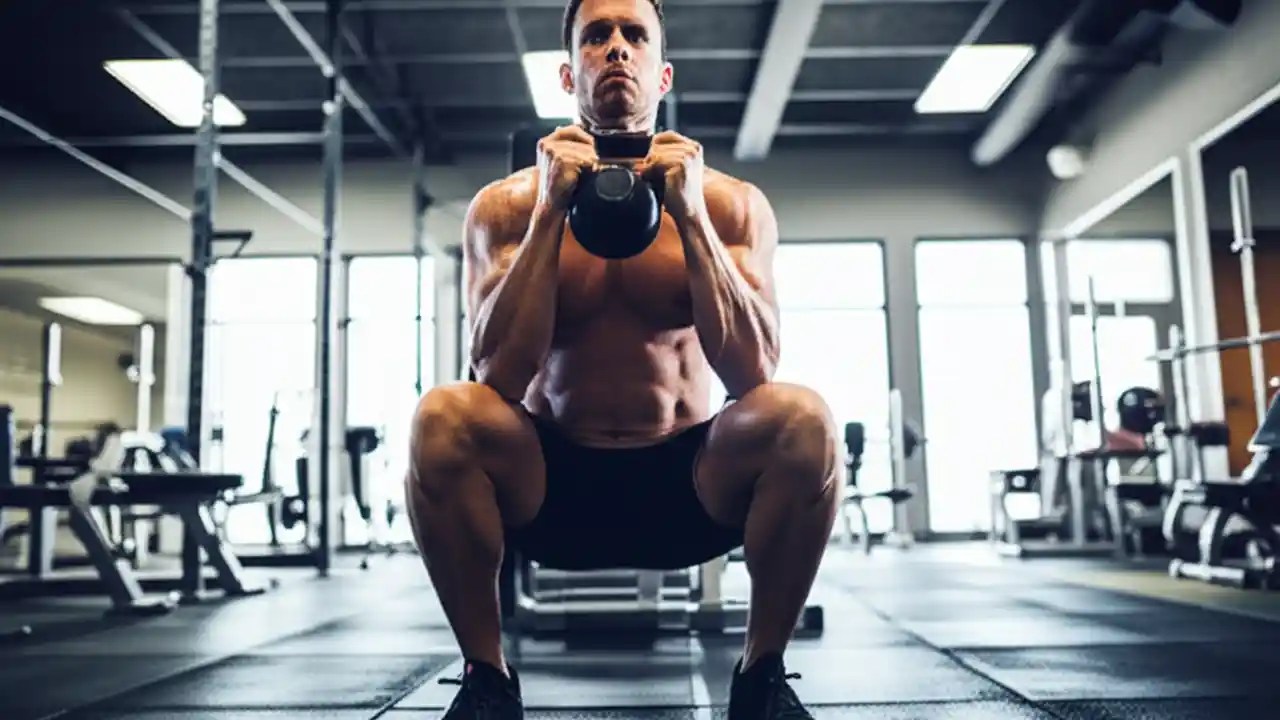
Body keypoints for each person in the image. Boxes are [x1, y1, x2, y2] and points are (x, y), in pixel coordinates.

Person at [404, 0, 841, 717]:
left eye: (634, 35)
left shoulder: (731, 206)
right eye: (596, 36)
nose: (616, 49)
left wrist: (691, 215)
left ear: (662, 73)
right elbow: (498, 378)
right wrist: (550, 209)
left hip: (690, 486)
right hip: (549, 488)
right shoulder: (504, 209)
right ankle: (488, 682)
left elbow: (753, 375)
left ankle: (762, 676)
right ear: (567, 73)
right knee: (443, 416)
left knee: (803, 418)